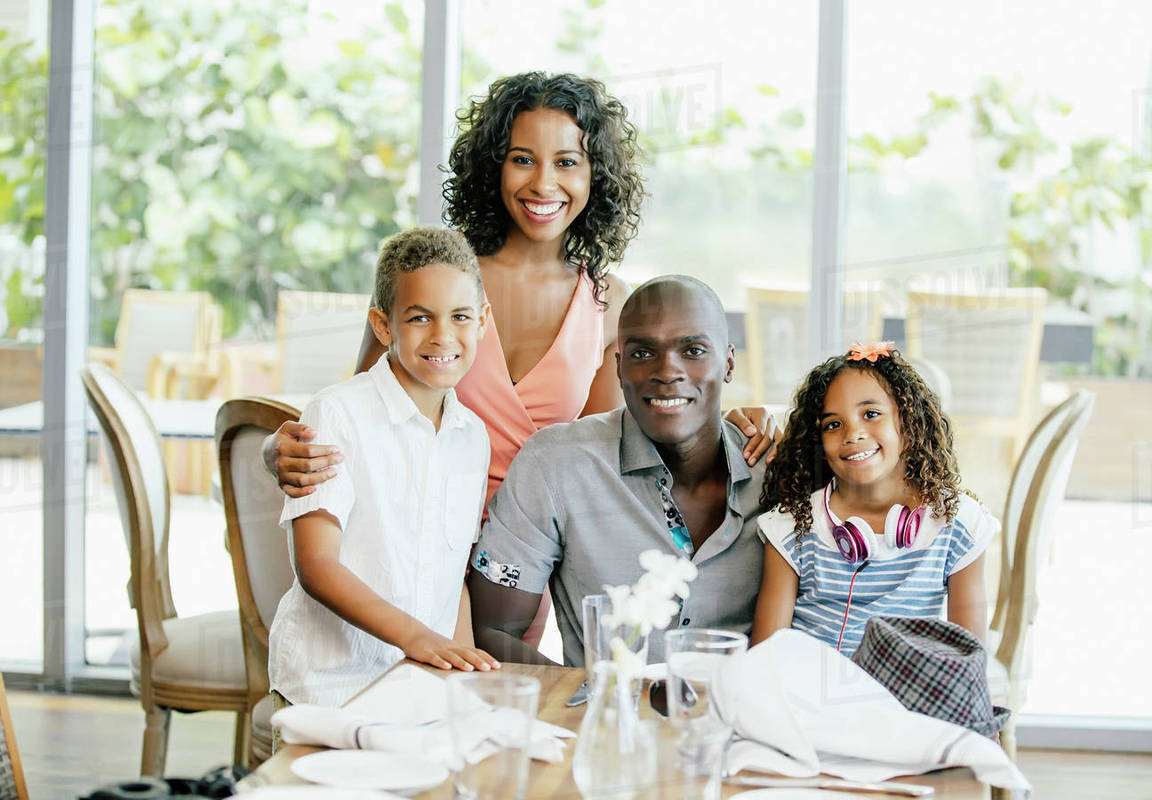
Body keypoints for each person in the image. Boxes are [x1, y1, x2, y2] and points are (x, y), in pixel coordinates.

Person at [262, 72, 780, 647]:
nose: (544, 183)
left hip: (519, 559)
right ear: (493, 169)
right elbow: (359, 409)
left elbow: (607, 452)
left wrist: (725, 426)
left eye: (567, 162)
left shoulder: (609, 304)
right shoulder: (436, 285)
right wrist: (277, 447)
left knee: (487, 708)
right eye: (522, 159)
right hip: (399, 539)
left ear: (595, 176)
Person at [467, 276, 767, 666]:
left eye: (692, 350)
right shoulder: (556, 465)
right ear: (620, 366)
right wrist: (593, 701)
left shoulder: (778, 472)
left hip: (744, 720)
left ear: (728, 362)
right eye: (643, 354)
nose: (666, 371)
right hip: (605, 719)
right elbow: (490, 632)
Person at [269, 227, 501, 707]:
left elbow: (452, 573)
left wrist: (458, 661)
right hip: (327, 691)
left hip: (418, 692)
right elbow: (316, 565)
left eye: (460, 317)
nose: (442, 336)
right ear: (382, 325)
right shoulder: (336, 414)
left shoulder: (472, 437)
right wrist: (416, 638)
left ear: (482, 322)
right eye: (419, 318)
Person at [750, 341, 998, 656]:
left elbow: (968, 659)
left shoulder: (958, 523)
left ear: (908, 423)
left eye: (871, 414)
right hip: (809, 698)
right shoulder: (792, 526)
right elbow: (764, 659)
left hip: (907, 701)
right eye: (833, 424)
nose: (852, 434)